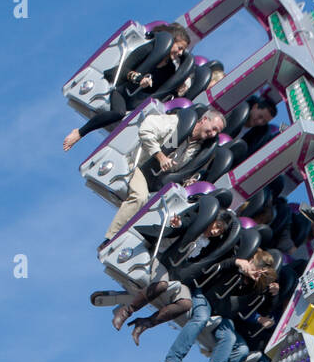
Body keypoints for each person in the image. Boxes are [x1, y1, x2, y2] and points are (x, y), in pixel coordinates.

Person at [110, 209, 235, 341]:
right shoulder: (196, 220)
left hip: (177, 272)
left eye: (220, 232)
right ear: (212, 219)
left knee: (186, 304)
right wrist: (178, 224)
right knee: (161, 285)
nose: (215, 232)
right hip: (163, 259)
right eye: (217, 226)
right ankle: (126, 311)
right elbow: (184, 224)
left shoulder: (207, 243)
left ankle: (144, 323)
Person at [62, 24, 191, 151]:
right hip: (121, 88)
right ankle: (80, 133)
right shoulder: (150, 49)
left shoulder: (169, 70)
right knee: (118, 113)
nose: (179, 53)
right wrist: (138, 78)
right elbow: (120, 70)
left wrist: (179, 90)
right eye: (179, 48)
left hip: (137, 100)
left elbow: (162, 91)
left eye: (182, 51)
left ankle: (162, 154)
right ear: (170, 41)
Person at [103, 108, 226, 241]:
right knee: (140, 197)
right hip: (140, 166)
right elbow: (146, 129)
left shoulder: (197, 149)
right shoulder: (177, 124)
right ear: (204, 120)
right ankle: (111, 239)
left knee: (169, 215)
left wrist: (187, 181)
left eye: (216, 132)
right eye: (213, 128)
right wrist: (160, 156)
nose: (213, 134)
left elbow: (181, 169)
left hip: (159, 183)